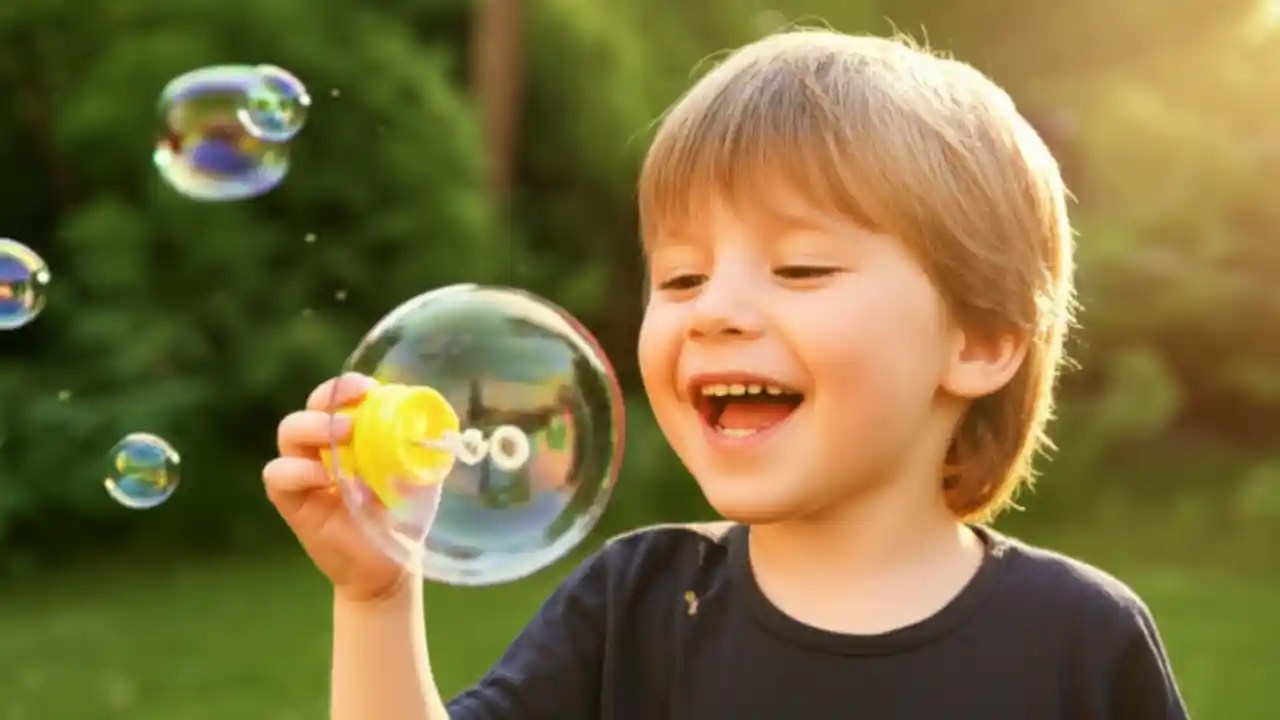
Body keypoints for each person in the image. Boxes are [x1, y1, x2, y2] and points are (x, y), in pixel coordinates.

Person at [263, 28, 1189, 719]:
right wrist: (378, 596)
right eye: (682, 277)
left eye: (801, 268)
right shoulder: (637, 605)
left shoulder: (1077, 638)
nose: (714, 310)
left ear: (981, 341)